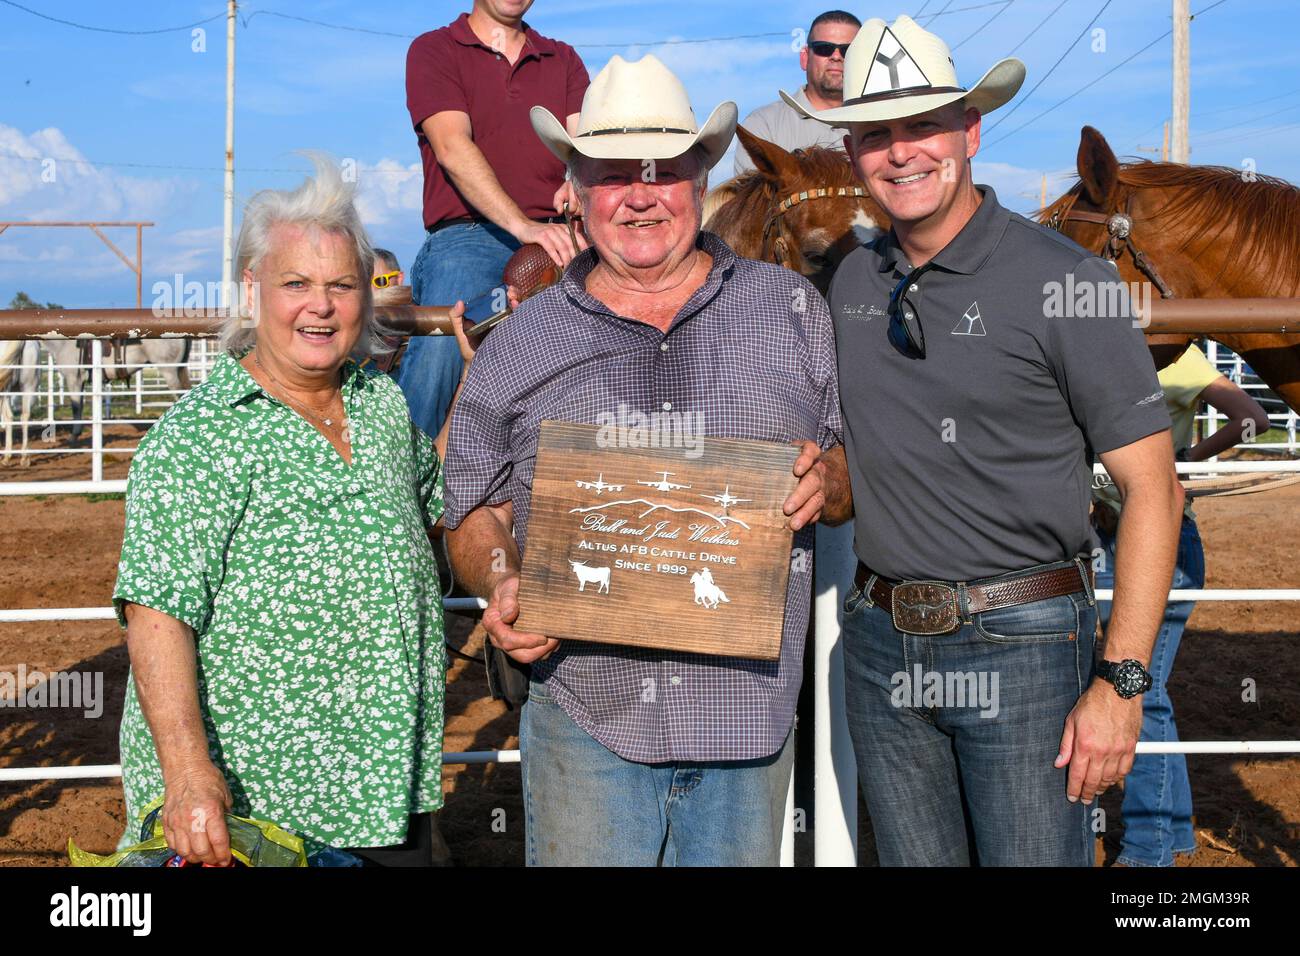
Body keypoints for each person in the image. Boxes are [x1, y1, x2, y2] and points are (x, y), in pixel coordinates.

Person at [443, 53, 852, 866]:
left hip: (747, 716)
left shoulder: (794, 311)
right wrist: (500, 577)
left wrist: (832, 480)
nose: (639, 194)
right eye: (610, 173)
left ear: (702, 178)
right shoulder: (521, 340)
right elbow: (472, 511)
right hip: (585, 712)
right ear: (573, 188)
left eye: (665, 170)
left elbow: (844, 464)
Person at [805, 16, 1184, 866]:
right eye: (875, 135)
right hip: (879, 638)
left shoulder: (1067, 281)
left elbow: (1155, 491)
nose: (900, 154)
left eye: (923, 126)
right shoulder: (851, 280)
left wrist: (1122, 687)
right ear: (852, 154)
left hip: (1025, 645)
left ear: (971, 130)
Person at [112, 158, 468, 867]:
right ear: (252, 290)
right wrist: (187, 776)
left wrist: (483, 374)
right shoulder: (201, 436)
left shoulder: (380, 406)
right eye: (296, 284)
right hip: (257, 813)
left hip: (384, 787)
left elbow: (441, 494)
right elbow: (156, 615)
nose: (322, 306)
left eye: (341, 285)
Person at [1094, 343, 1270, 867]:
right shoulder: (1115, 353)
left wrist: (1187, 460)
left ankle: (1149, 849)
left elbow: (1253, 418)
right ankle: (1169, 835)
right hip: (1113, 532)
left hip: (1155, 540)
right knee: (1148, 687)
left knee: (1138, 687)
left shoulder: (1179, 357)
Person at [400, 0, 589, 442]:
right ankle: (402, 474)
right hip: (469, 233)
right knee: (443, 350)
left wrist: (577, 179)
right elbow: (451, 146)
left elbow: (584, 145)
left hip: (558, 234)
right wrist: (524, 226)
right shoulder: (435, 49)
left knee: (618, 321)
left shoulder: (562, 58)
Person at [733, 10, 860, 176]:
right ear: (805, 58)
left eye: (848, 50)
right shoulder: (764, 126)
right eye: (824, 48)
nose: (836, 56)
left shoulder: (883, 123)